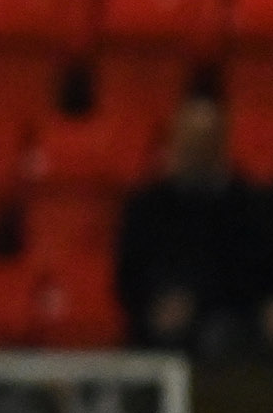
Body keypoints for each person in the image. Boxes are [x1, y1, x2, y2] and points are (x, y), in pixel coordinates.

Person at [115, 93, 273, 357]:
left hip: (233, 318)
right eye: (188, 142)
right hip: (158, 325)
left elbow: (256, 273)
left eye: (203, 143)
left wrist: (199, 303)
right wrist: (156, 305)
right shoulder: (148, 207)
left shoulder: (251, 206)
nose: (194, 152)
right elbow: (129, 276)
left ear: (220, 144)